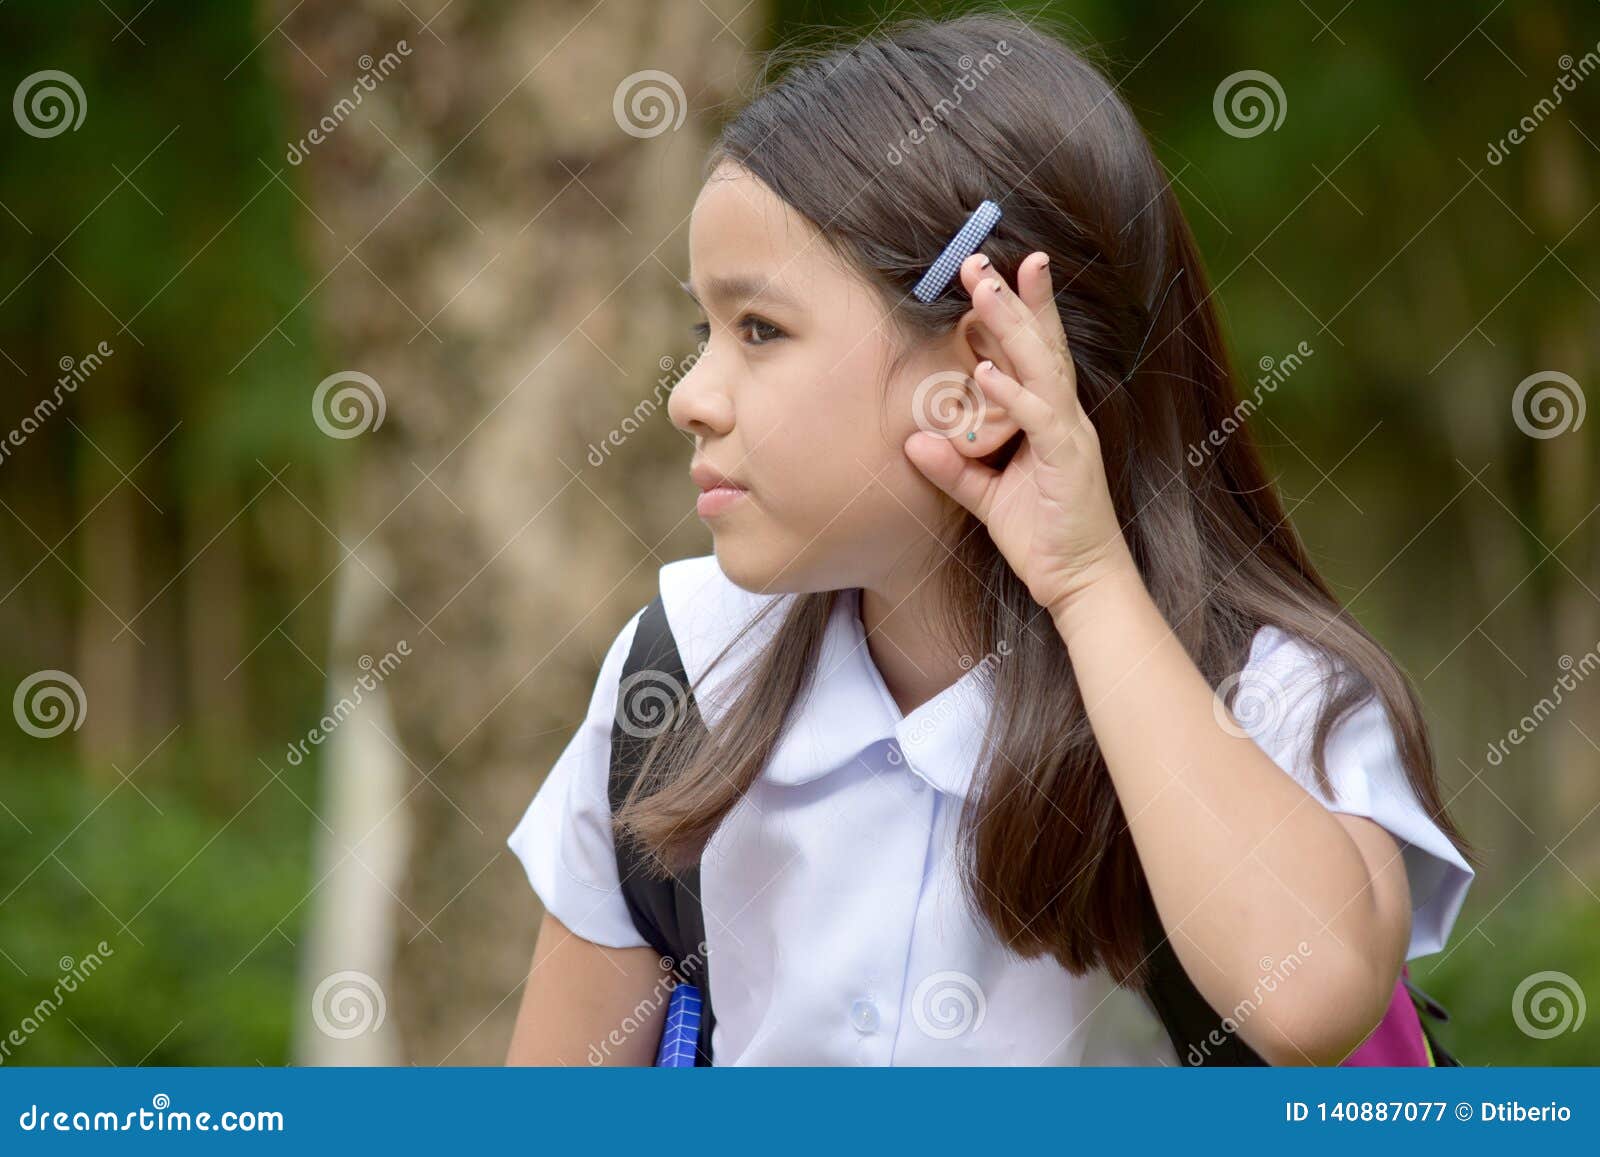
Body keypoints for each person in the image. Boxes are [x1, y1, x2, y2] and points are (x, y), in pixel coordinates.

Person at [503, 11, 1474, 1066]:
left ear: (979, 378)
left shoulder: (1269, 693)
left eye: (759, 331)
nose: (690, 397)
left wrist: (1088, 582)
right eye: (705, 332)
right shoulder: (683, 670)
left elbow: (1311, 999)